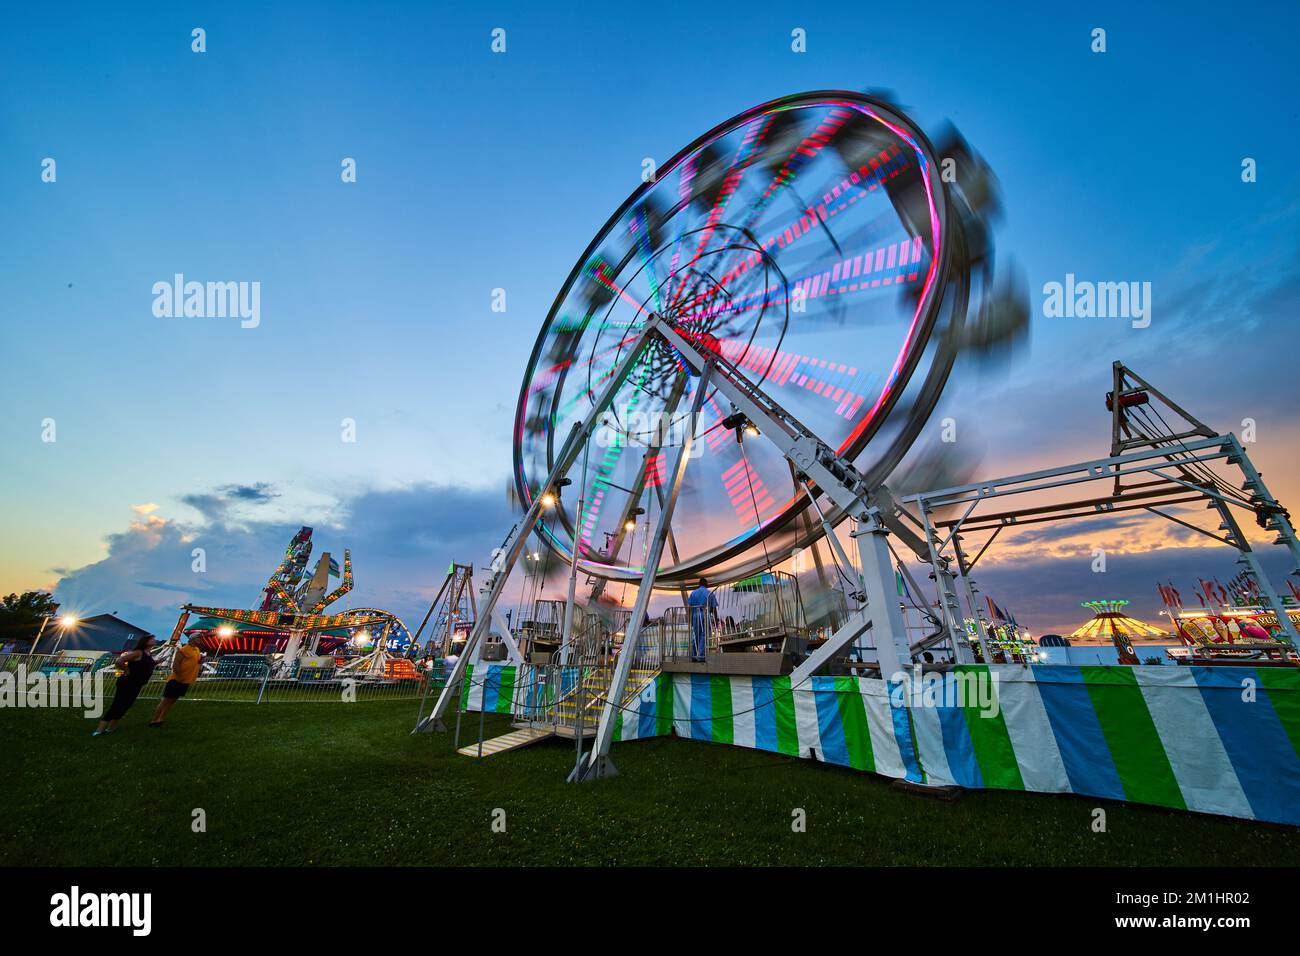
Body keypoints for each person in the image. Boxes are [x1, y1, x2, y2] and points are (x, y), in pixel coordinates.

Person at [94, 634, 157, 735]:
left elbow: (145, 665)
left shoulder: (148, 654)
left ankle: (111, 728)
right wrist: (126, 670)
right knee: (118, 704)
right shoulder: (138, 652)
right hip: (128, 682)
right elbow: (120, 661)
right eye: (151, 639)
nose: (154, 640)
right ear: (145, 641)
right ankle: (99, 730)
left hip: (138, 683)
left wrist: (156, 662)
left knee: (126, 705)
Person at [148, 637, 203, 727]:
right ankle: (154, 720)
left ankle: (161, 718)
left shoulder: (196, 650)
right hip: (177, 679)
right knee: (166, 700)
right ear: (192, 639)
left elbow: (196, 662)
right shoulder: (183, 650)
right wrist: (179, 675)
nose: (200, 640)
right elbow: (176, 664)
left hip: (186, 679)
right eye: (198, 638)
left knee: (173, 700)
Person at [687, 578, 718, 661]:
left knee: (696, 635)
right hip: (705, 614)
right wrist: (716, 620)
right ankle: (701, 656)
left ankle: (693, 655)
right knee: (704, 635)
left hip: (695, 615)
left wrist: (690, 619)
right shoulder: (709, 593)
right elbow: (714, 608)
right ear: (706, 584)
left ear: (699, 584)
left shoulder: (693, 593)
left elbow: (689, 608)